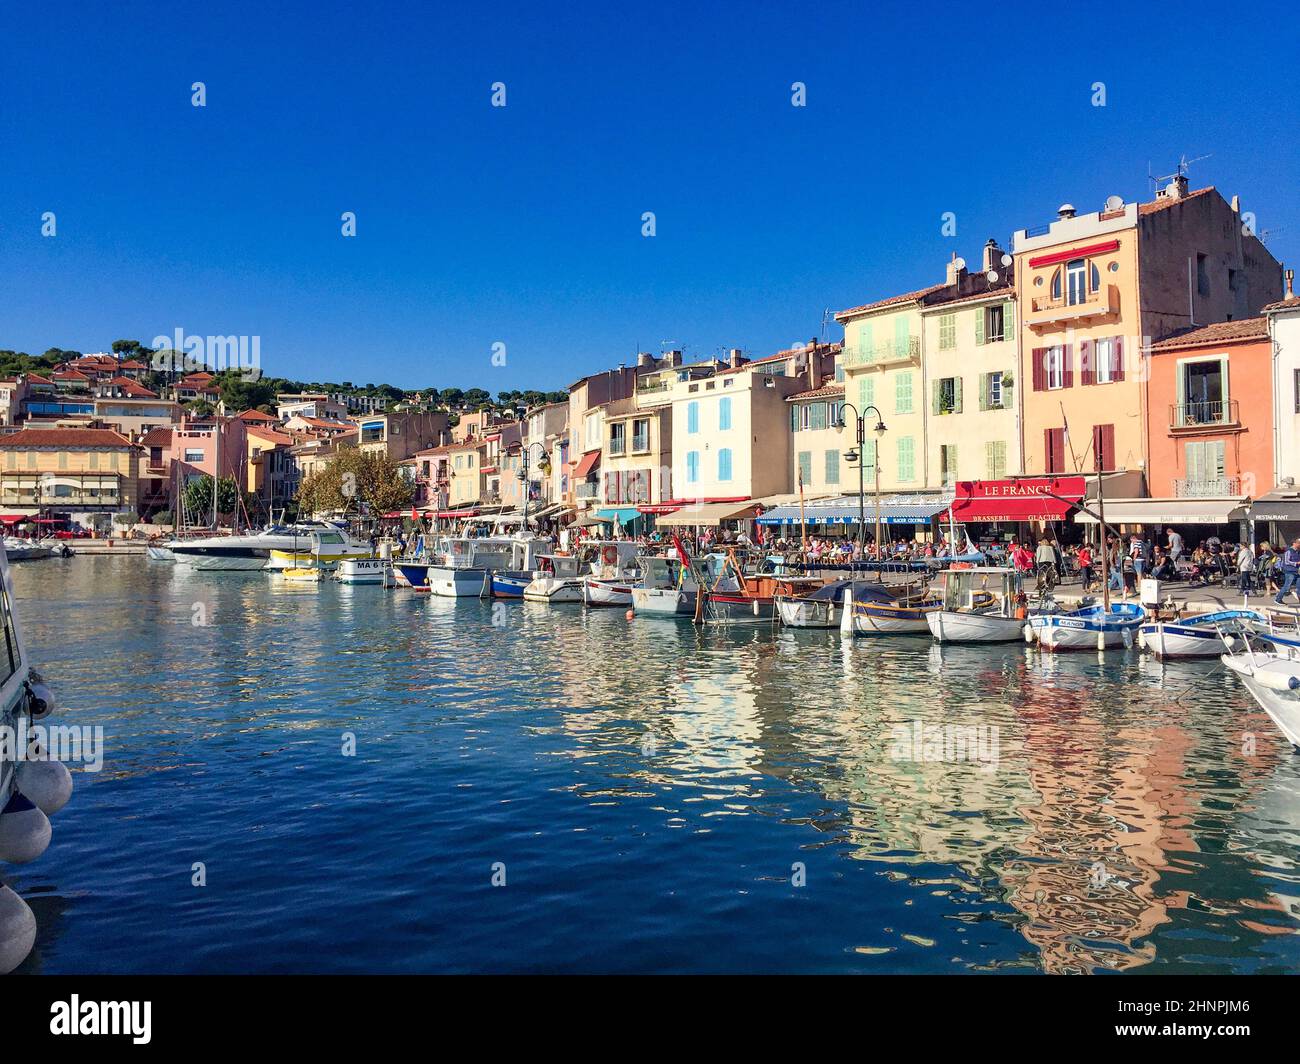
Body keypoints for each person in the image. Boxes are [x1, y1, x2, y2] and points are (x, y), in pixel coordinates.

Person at [1274, 538, 1300, 605]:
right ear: (1294, 543)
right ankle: (1278, 599)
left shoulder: (1298, 551)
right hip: (1290, 571)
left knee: (1299, 586)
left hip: (1297, 571)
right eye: (1299, 543)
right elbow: (1287, 561)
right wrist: (1296, 563)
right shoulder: (1289, 551)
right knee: (1287, 586)